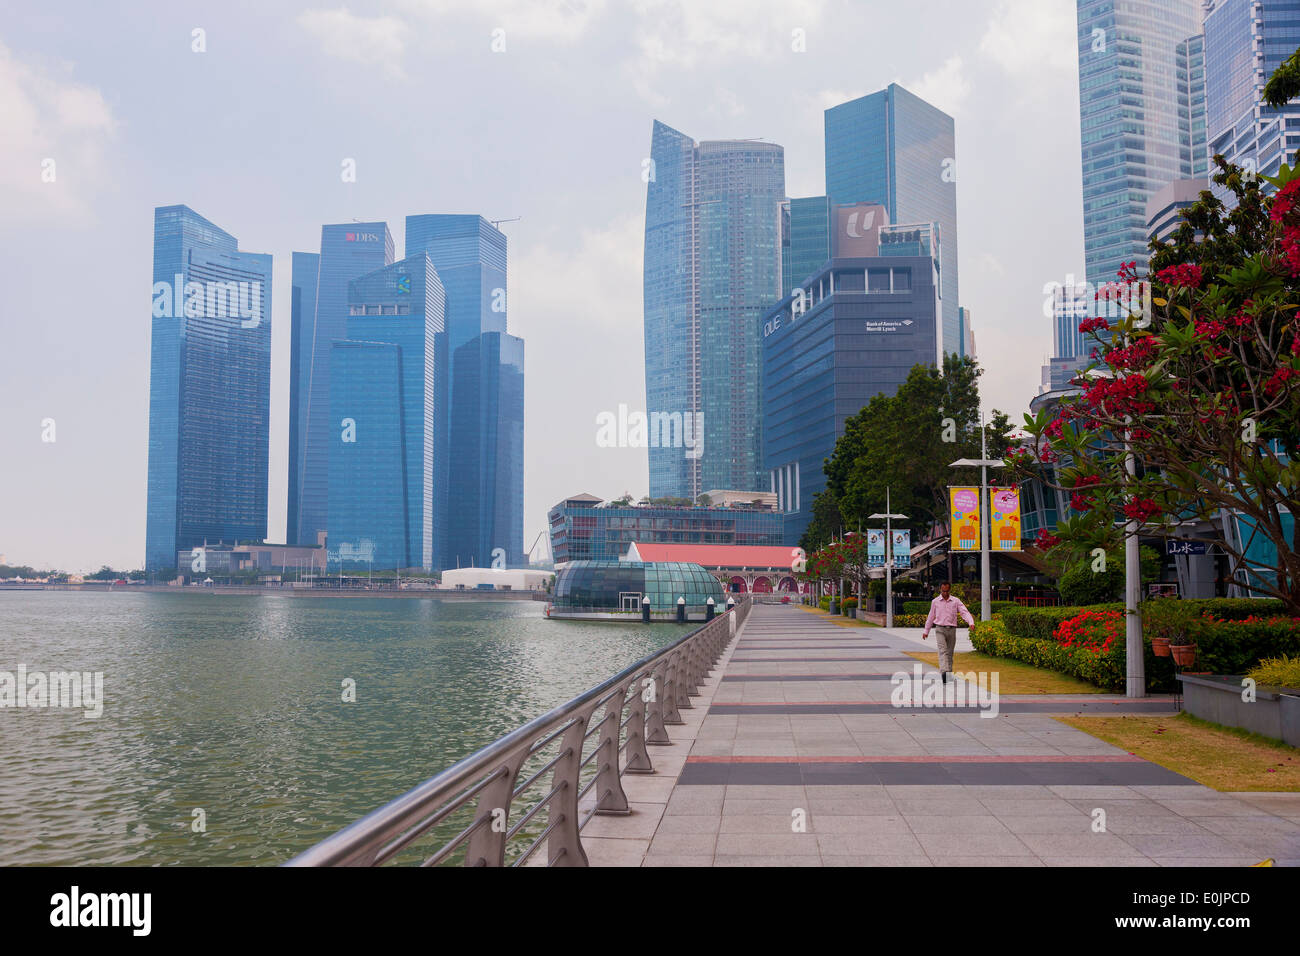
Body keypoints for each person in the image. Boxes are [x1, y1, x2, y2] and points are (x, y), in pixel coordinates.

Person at [921, 582, 975, 683]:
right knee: (943, 651)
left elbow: (964, 612)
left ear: (949, 590)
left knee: (949, 653)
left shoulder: (955, 601)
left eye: (946, 591)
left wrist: (970, 622)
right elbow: (930, 617)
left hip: (952, 629)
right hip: (940, 629)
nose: (945, 593)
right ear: (940, 590)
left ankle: (948, 674)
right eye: (943, 591)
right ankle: (944, 672)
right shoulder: (935, 602)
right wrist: (926, 631)